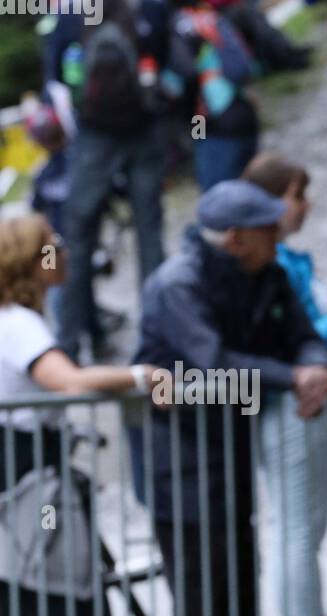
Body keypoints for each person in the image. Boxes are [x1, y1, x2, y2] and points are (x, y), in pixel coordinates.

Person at [131, 181, 327, 616]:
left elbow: (304, 334)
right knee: (200, 577)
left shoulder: (264, 275)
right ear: (238, 238)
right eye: (268, 227)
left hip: (229, 442)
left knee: (241, 566)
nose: (280, 232)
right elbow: (211, 362)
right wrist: (292, 375)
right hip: (182, 451)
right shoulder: (178, 285)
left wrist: (314, 365)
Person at [0, 215, 168, 616]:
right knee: (42, 583)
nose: (64, 253)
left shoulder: (18, 318)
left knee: (28, 581)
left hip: (24, 461)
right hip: (27, 467)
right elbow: (66, 380)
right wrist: (140, 376)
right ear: (32, 261)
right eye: (52, 247)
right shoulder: (18, 324)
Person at [242, 152, 327, 616]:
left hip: (308, 404)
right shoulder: (274, 267)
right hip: (292, 405)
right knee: (298, 526)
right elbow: (297, 338)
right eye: (297, 195)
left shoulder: (287, 261)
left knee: (305, 526)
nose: (306, 205)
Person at [45, 0, 186, 362]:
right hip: (144, 131)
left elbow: (57, 80)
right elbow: (171, 61)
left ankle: (70, 347)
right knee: (149, 235)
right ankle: (159, 343)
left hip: (94, 138)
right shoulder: (150, 8)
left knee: (77, 241)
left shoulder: (72, 12)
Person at [171, 0, 262, 190]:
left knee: (214, 190)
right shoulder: (212, 19)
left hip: (207, 118)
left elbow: (186, 74)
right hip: (242, 109)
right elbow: (244, 68)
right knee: (251, 187)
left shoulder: (174, 28)